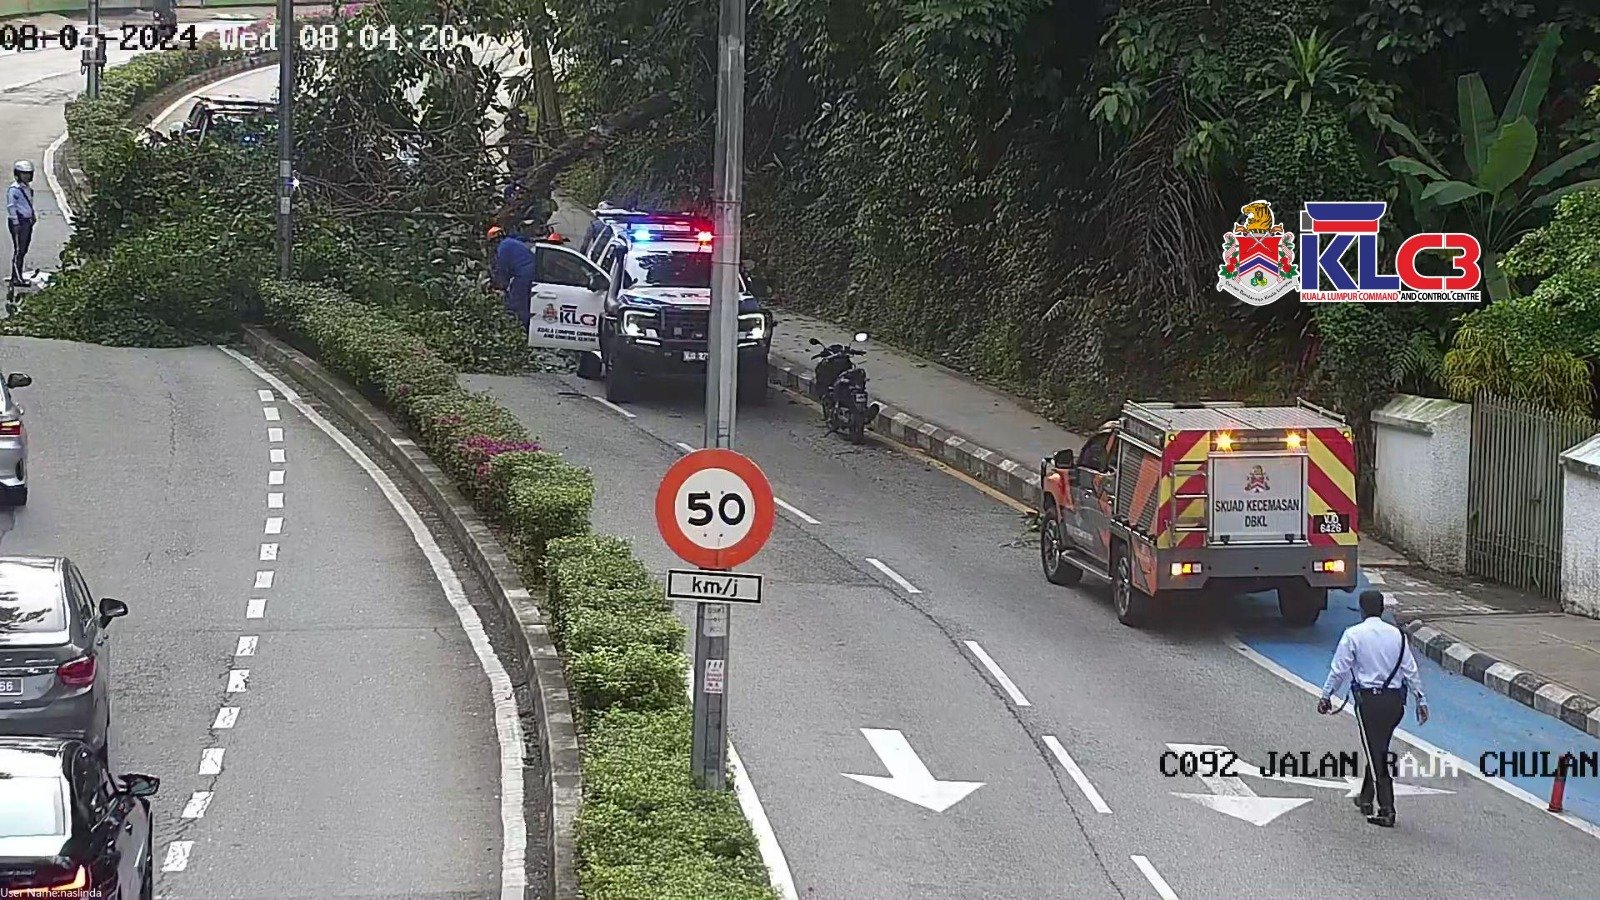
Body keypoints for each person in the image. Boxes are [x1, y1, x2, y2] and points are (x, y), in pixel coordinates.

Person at [1318, 589, 1428, 827]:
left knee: (1376, 753)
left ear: (1362, 609)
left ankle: (1387, 808)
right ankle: (1366, 798)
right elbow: (1411, 670)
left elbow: (1339, 670)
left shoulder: (1353, 634)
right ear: (1381, 609)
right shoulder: (1398, 636)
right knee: (1377, 746)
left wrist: (1326, 695)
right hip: (1395, 703)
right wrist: (1421, 700)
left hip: (1370, 703)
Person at [488, 225, 537, 330]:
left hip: (524, 275)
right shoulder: (513, 241)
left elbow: (503, 269)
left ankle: (522, 328)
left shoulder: (503, 248)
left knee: (517, 302)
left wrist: (501, 285)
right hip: (532, 271)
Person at [7, 160, 36, 288]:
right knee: (19, 250)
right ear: (17, 174)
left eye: (29, 174)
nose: (27, 176)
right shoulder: (14, 189)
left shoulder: (27, 188)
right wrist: (15, 222)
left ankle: (16, 275)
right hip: (19, 223)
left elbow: (27, 204)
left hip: (27, 222)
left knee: (23, 250)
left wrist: (32, 215)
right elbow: (11, 206)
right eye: (24, 174)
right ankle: (17, 278)